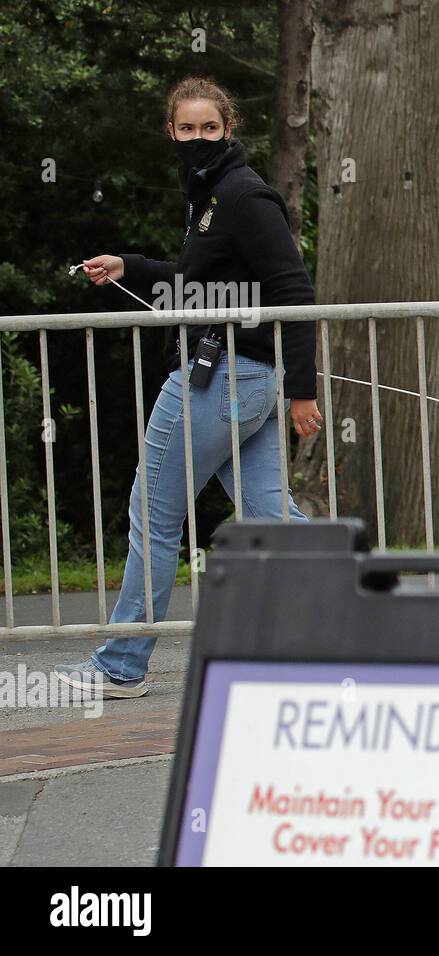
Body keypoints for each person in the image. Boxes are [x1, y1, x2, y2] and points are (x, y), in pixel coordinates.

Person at [54, 77, 321, 699]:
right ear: (171, 132)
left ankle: (120, 664)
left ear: (229, 130)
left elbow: (295, 292)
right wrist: (132, 268)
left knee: (154, 513)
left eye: (209, 128)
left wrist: (303, 389)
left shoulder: (242, 196)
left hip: (220, 381)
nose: (197, 138)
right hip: (248, 382)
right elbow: (202, 283)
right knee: (269, 516)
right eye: (186, 129)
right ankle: (373, 601)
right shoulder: (210, 197)